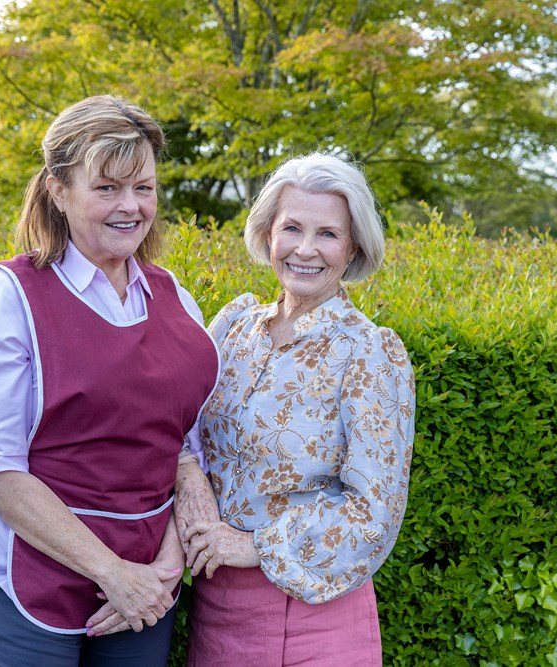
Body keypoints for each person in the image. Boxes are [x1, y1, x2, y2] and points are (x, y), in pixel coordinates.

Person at [0, 95, 220, 667]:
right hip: (29, 584)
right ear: (58, 191)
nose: (131, 206)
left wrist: (164, 570)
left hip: (145, 589)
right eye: (107, 188)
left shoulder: (176, 299)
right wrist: (110, 572)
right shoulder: (12, 294)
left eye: (143, 187)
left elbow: (185, 451)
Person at [177, 152, 416, 666]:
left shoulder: (369, 351)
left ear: (353, 248)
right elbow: (177, 425)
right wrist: (189, 475)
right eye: (292, 228)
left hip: (315, 616)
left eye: (328, 234)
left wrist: (254, 547)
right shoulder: (234, 327)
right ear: (268, 234)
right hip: (215, 611)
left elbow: (374, 512)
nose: (306, 250)